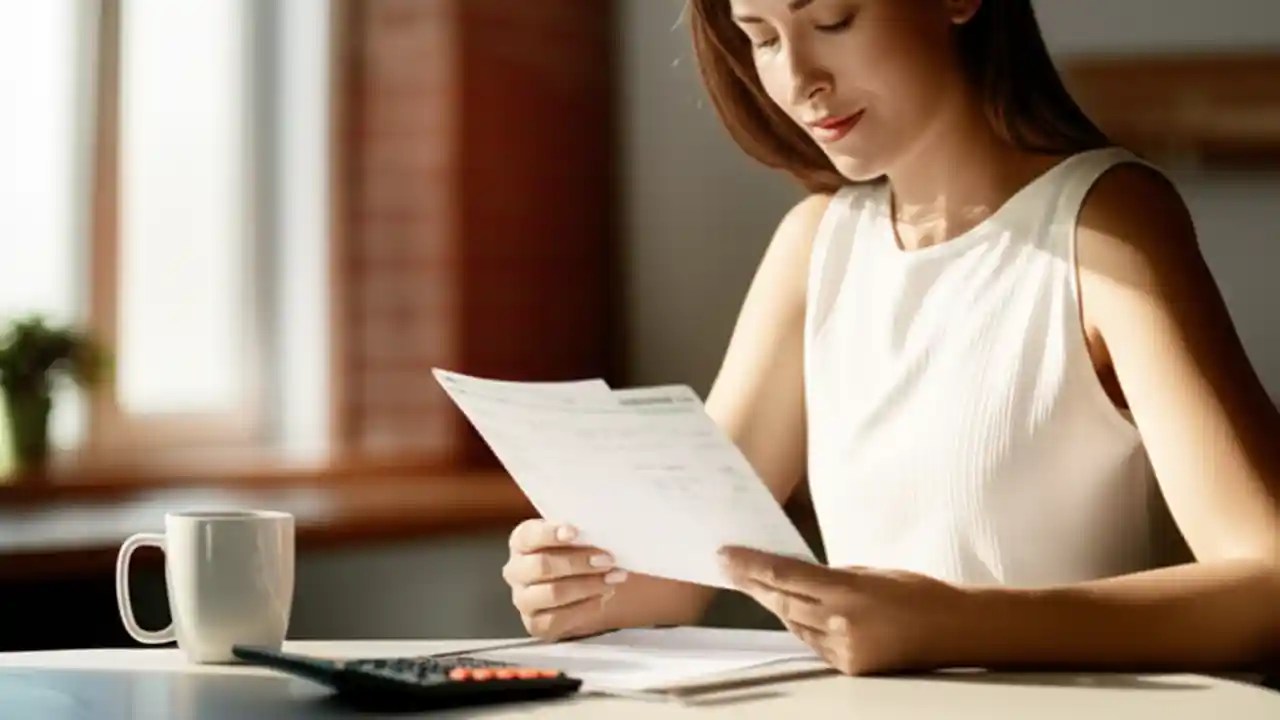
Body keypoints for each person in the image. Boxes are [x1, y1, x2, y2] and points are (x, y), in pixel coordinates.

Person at [501, 0, 1280, 675]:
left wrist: (948, 625)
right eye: (763, 38)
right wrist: (578, 582)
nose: (800, 80)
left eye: (832, 21)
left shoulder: (1105, 225)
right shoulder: (817, 247)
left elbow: (1268, 580)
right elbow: (677, 573)